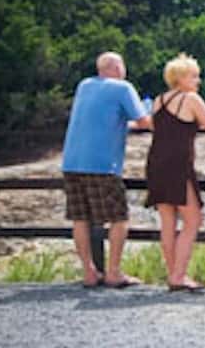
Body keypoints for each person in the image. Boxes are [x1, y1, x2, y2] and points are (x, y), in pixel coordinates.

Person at [62, 51, 152, 289]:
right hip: (102, 164)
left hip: (71, 162)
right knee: (119, 218)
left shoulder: (84, 85)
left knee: (80, 218)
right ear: (117, 67)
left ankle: (89, 272)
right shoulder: (123, 88)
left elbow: (104, 117)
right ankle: (113, 272)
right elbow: (144, 121)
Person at [144, 53, 205, 292]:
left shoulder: (159, 100)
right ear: (181, 78)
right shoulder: (191, 99)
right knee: (192, 220)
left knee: (167, 222)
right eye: (194, 76)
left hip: (156, 162)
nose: (198, 80)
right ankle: (179, 276)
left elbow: (157, 125)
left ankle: (173, 274)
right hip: (178, 164)